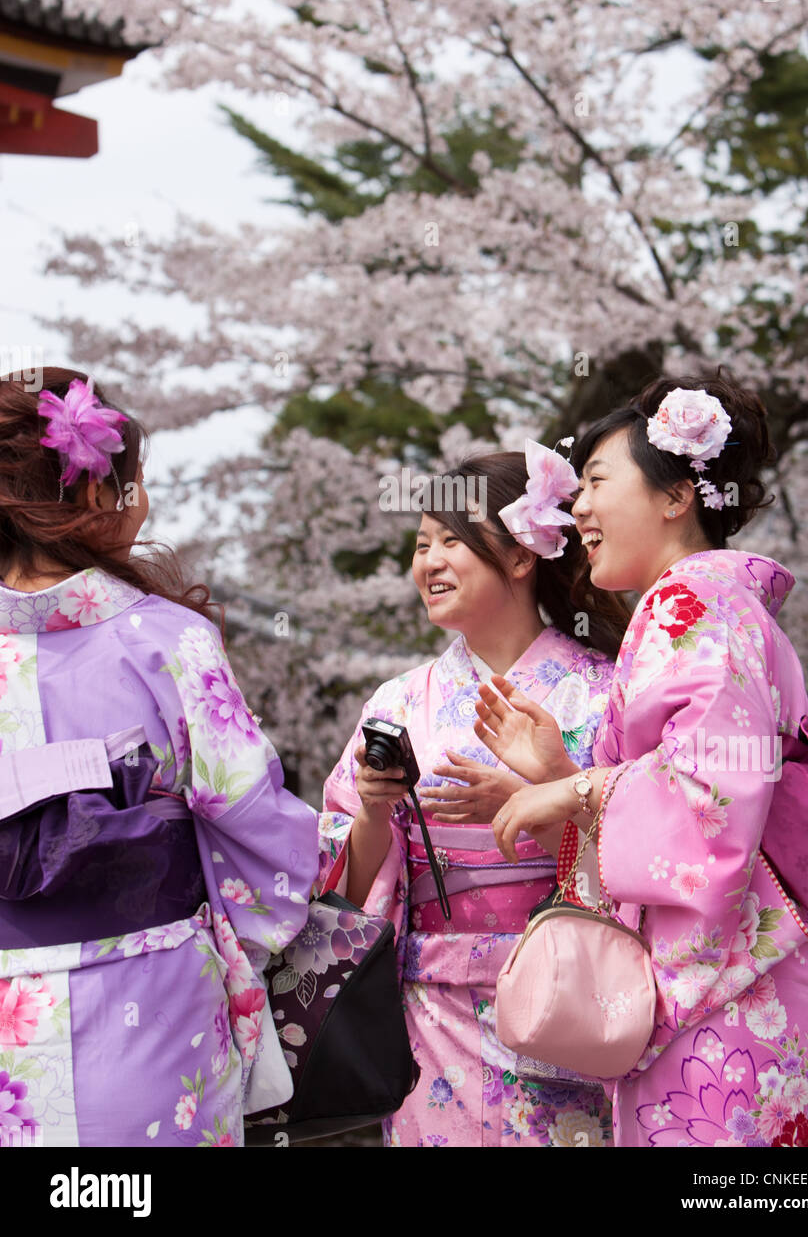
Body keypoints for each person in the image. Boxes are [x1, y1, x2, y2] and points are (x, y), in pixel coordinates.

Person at [480, 374, 808, 1148]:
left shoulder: (690, 605)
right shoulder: (701, 605)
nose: (577, 509)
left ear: (676, 496)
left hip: (730, 993)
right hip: (740, 984)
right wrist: (564, 776)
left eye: (595, 482)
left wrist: (576, 790)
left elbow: (714, 792)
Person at [0, 369, 318, 1147]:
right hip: (150, 995)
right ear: (89, 496)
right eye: (129, 484)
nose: (140, 502)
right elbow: (252, 817)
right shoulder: (165, 640)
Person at [318, 446, 630, 1146]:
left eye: (451, 541)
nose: (427, 562)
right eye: (421, 544)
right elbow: (351, 886)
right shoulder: (400, 701)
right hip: (433, 1016)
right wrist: (371, 809)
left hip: (567, 992)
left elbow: (646, 854)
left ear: (522, 557)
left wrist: (529, 806)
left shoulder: (607, 693)